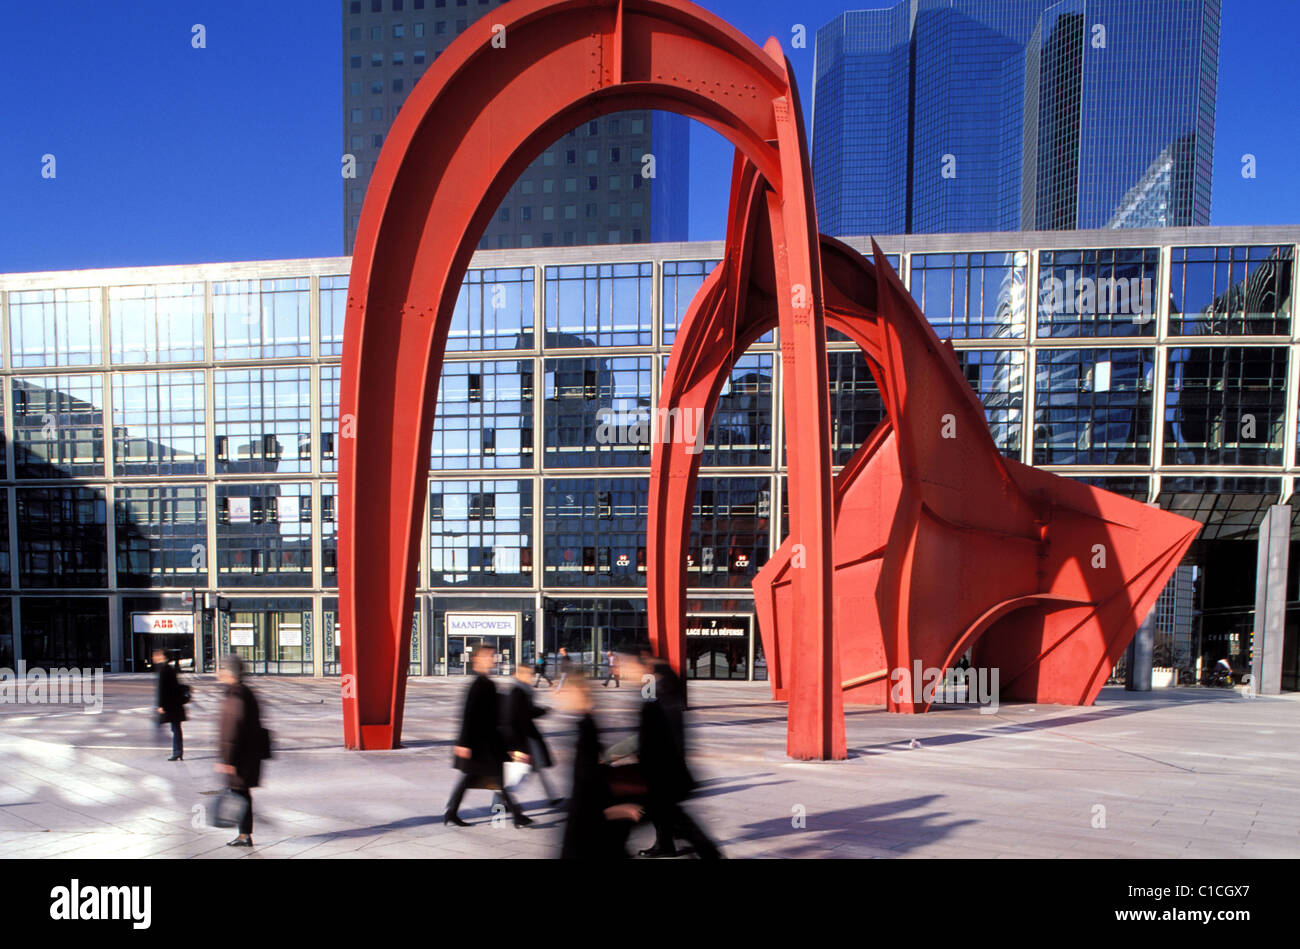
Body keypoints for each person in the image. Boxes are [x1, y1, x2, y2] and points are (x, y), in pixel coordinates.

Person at [619, 645, 721, 859]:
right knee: (668, 813)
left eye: (626, 664)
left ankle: (705, 852)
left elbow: (670, 729)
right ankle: (667, 844)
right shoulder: (651, 682)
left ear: (644, 660)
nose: (622, 670)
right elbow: (645, 722)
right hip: (657, 763)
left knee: (673, 816)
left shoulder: (663, 685)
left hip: (664, 765)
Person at [554, 672, 643, 858]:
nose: (561, 694)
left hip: (586, 825)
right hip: (588, 822)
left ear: (579, 692)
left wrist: (613, 810)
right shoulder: (585, 724)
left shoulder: (586, 727)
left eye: (567, 690)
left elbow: (588, 779)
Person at [445, 644, 532, 828]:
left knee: (480, 779)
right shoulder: (479, 685)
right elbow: (468, 715)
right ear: (477, 660)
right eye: (489, 656)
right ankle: (517, 816)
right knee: (497, 780)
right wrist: (463, 743)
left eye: (493, 656)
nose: (493, 659)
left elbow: (496, 717)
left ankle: (451, 812)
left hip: (488, 744)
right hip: (481, 746)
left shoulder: (488, 684)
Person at [216, 653, 267, 848]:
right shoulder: (242, 691)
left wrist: (228, 760)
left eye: (221, 668)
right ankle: (244, 833)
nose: (218, 672)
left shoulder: (236, 694)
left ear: (229, 672)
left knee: (240, 793)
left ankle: (244, 834)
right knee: (241, 794)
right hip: (246, 755)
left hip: (240, 757)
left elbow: (232, 728)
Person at [502, 661, 563, 806]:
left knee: (538, 767)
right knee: (519, 771)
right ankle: (501, 801)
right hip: (522, 738)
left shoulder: (523, 690)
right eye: (528, 674)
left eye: (531, 673)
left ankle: (551, 796)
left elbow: (526, 712)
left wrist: (541, 710)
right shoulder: (517, 691)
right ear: (520, 674)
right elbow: (520, 715)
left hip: (527, 735)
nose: (530, 676)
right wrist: (542, 711)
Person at [154, 648, 187, 761]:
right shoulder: (169, 668)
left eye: (157, 655)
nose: (155, 657)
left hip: (171, 705)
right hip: (175, 704)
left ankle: (177, 752)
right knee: (176, 728)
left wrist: (160, 705)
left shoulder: (164, 669)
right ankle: (178, 752)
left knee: (174, 728)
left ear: (163, 656)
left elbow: (162, 689)